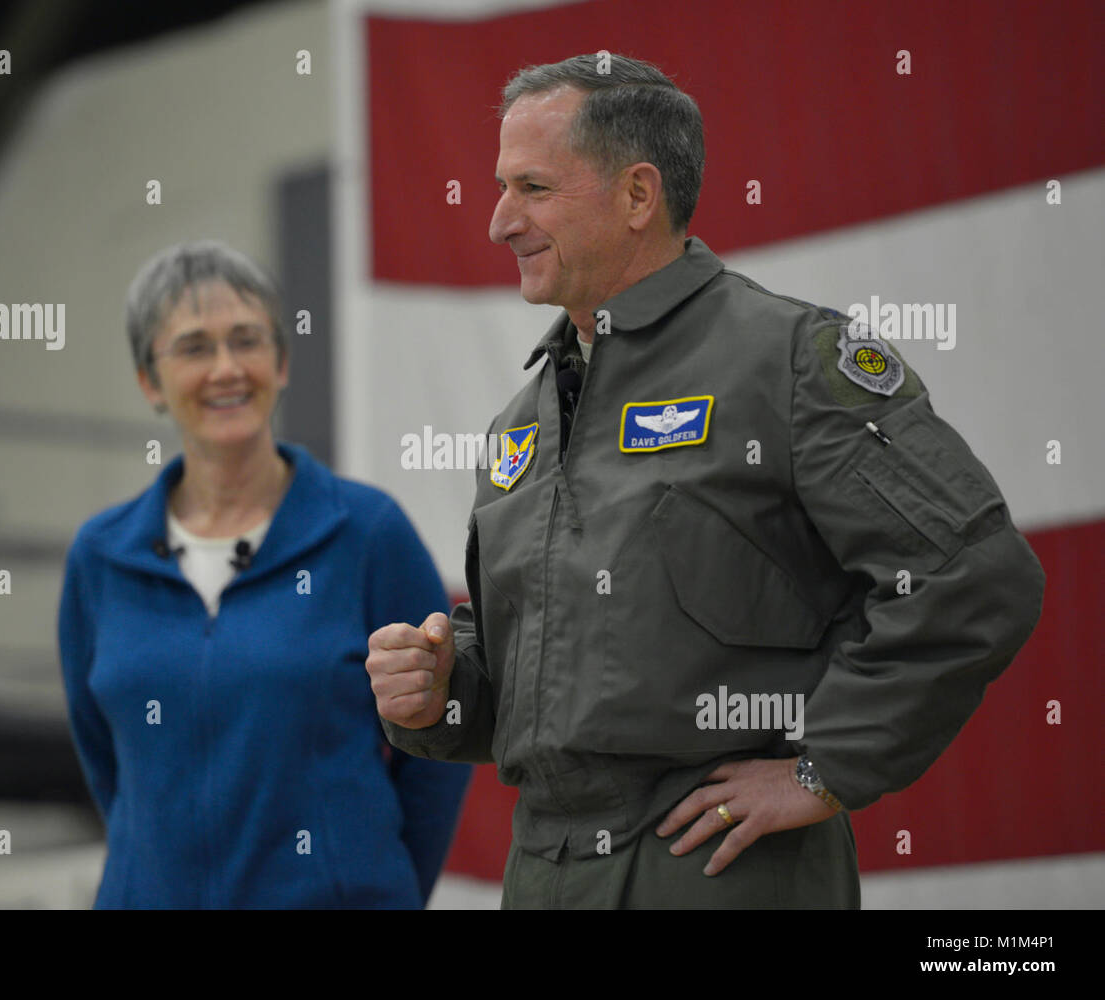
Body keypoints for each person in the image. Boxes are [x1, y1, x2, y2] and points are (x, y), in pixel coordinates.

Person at [366, 55, 1045, 908]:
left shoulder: (789, 361)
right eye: (502, 188)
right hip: (544, 873)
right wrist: (438, 694)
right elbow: (547, 681)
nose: (500, 221)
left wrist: (822, 768)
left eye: (532, 188)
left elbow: (976, 577)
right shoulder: (522, 419)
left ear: (638, 195)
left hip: (715, 868)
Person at [58, 240, 470, 908]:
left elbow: (440, 738)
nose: (226, 369)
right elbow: (108, 765)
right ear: (148, 380)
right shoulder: (99, 557)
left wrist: (376, 891)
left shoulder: (367, 533)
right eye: (193, 347)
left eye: (246, 341)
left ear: (280, 363)